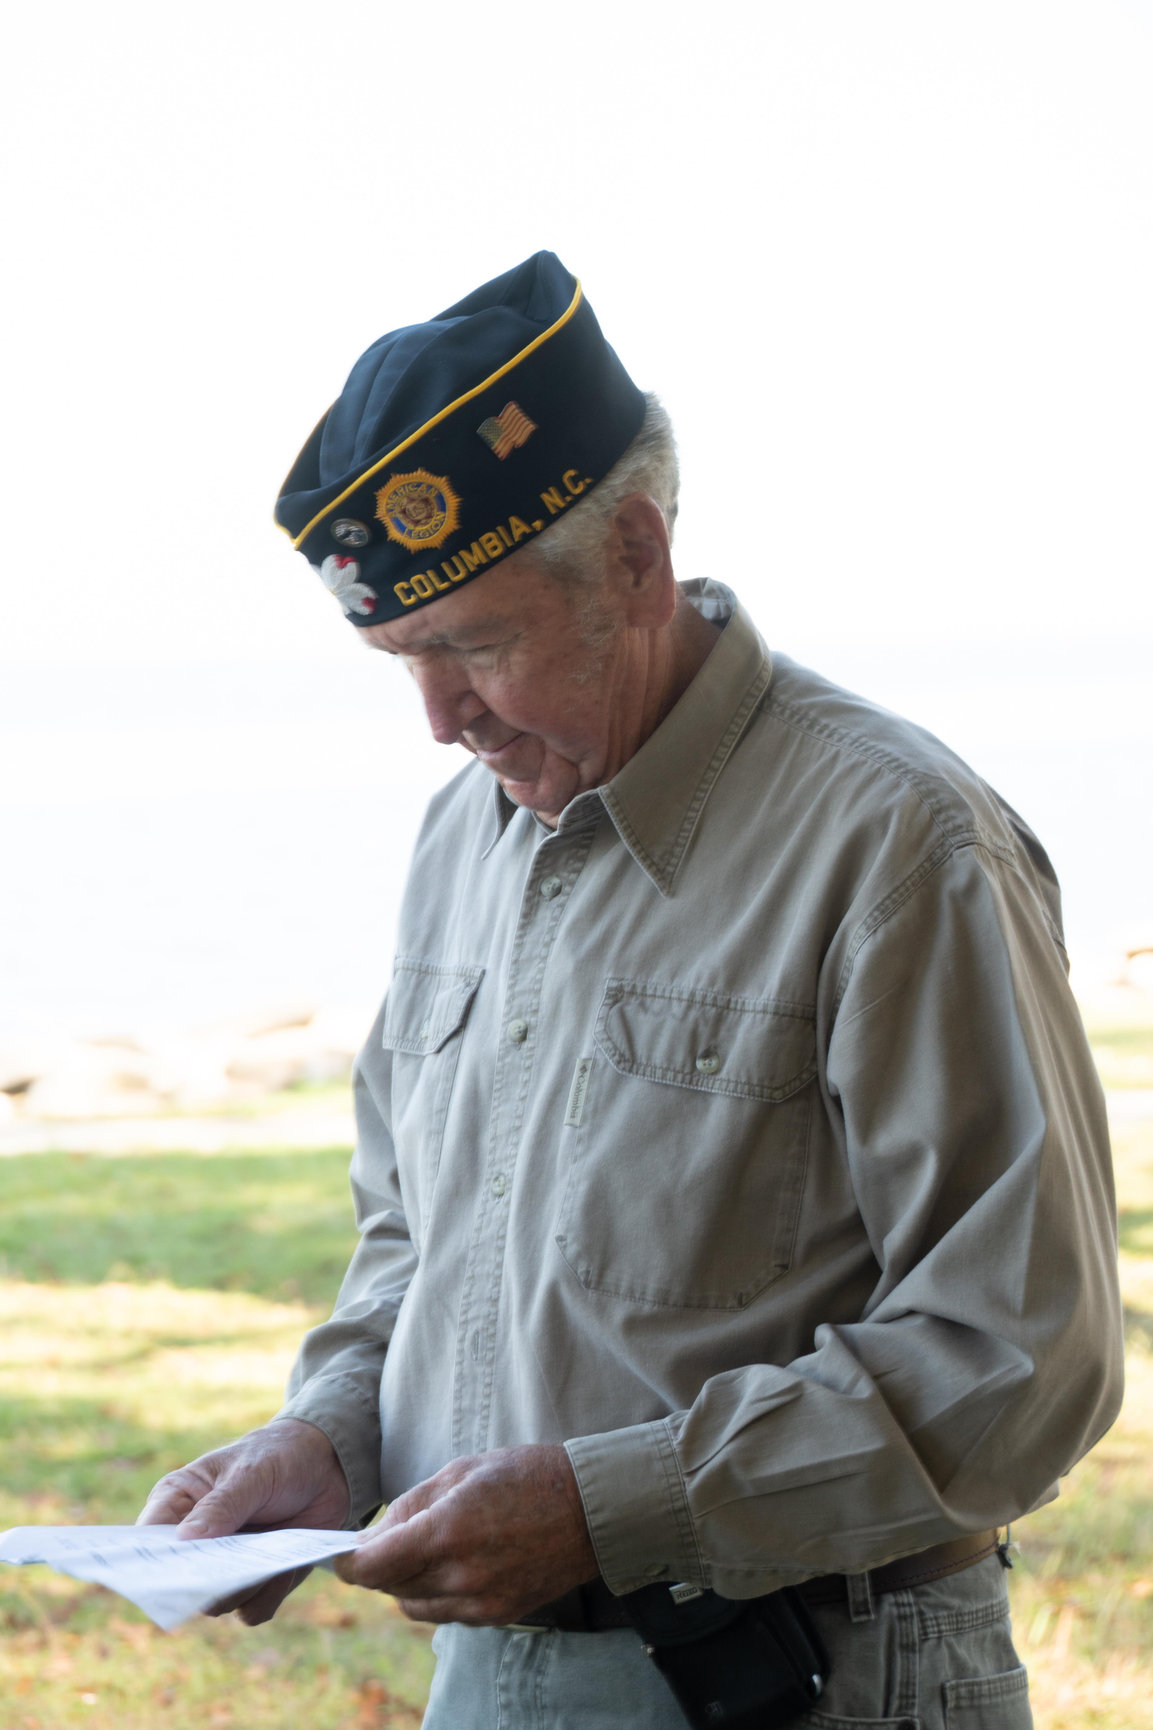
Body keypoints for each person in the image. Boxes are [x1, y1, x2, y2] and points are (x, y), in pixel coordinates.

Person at [139, 252, 1123, 1728]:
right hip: (496, 1673)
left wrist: (610, 1506)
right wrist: (331, 1433)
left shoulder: (898, 839)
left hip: (810, 1677)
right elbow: (416, 1235)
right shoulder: (463, 834)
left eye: (474, 642)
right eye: (399, 658)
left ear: (636, 557)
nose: (437, 721)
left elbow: (1021, 1353)